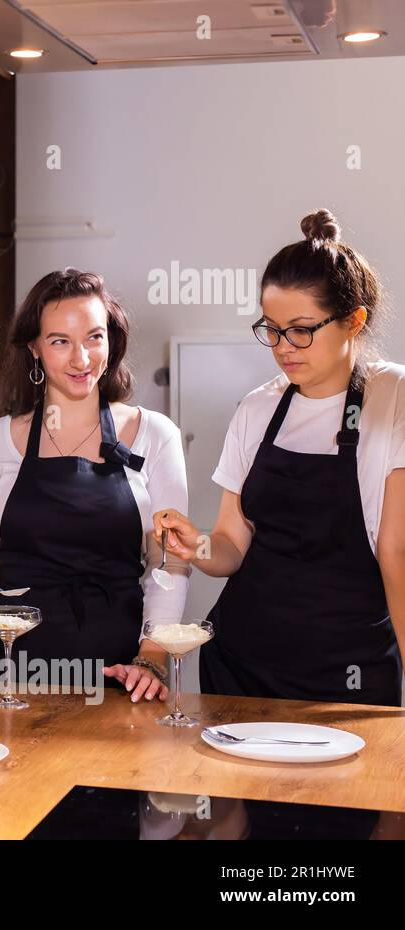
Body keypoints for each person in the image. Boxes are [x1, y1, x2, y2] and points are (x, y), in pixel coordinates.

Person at [157, 210, 405, 707]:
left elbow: (396, 554)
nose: (282, 348)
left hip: (350, 672)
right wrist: (196, 546)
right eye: (270, 329)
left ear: (354, 320)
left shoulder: (392, 395)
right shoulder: (258, 408)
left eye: (300, 330)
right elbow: (231, 545)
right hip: (242, 665)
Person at [0, 269, 188, 700]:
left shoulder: (155, 435)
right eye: (59, 341)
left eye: (94, 338)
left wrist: (153, 654)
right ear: (34, 347)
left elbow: (170, 563)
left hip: (121, 670)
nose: (81, 360)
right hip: (12, 666)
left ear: (112, 339)